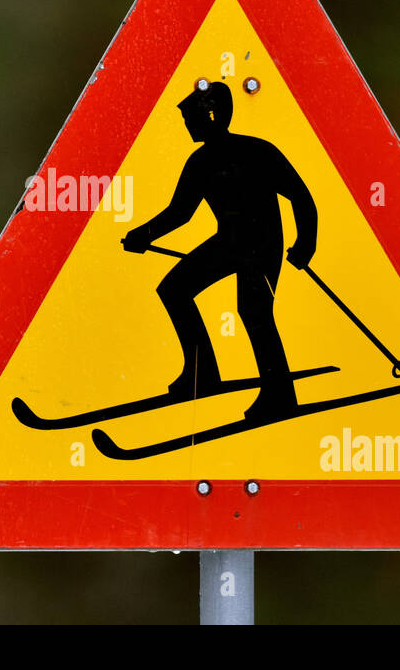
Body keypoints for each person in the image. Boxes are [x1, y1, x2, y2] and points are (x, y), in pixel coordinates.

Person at [121, 80, 317, 422]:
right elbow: (180, 213)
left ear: (211, 116)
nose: (187, 127)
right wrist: (142, 235)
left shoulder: (258, 151)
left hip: (262, 245)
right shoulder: (200, 162)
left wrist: (305, 245)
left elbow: (301, 196)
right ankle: (202, 373)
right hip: (229, 242)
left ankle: (279, 393)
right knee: (174, 289)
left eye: (191, 119)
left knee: (254, 311)